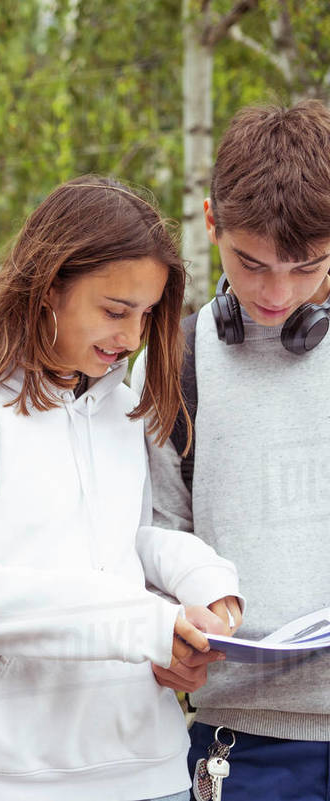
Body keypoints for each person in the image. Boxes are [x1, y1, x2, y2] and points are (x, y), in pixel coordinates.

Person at [0, 176, 242, 801]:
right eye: (114, 310)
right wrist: (141, 624)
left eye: (147, 314)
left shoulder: (119, 405)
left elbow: (121, 547)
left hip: (149, 768)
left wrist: (206, 586)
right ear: (50, 285)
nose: (132, 339)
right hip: (0, 776)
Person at [137, 101, 330, 800]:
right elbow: (154, 535)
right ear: (212, 221)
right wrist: (171, 629)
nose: (277, 293)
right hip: (237, 751)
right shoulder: (173, 361)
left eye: (306, 268)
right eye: (253, 265)